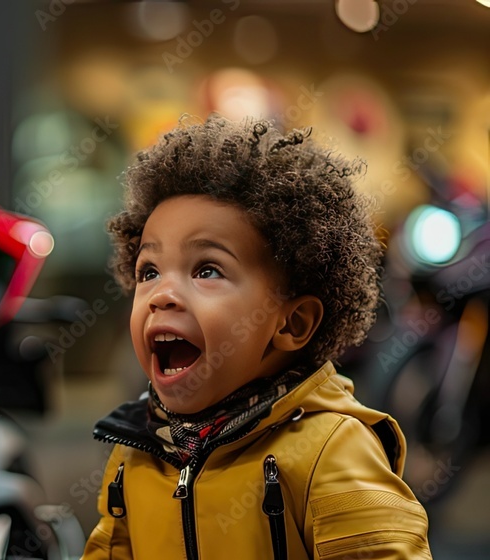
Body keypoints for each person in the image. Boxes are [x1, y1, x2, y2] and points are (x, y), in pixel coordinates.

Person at [82, 114, 432, 559]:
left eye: (207, 270)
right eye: (149, 271)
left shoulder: (331, 450)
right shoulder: (138, 451)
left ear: (292, 323)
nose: (162, 294)